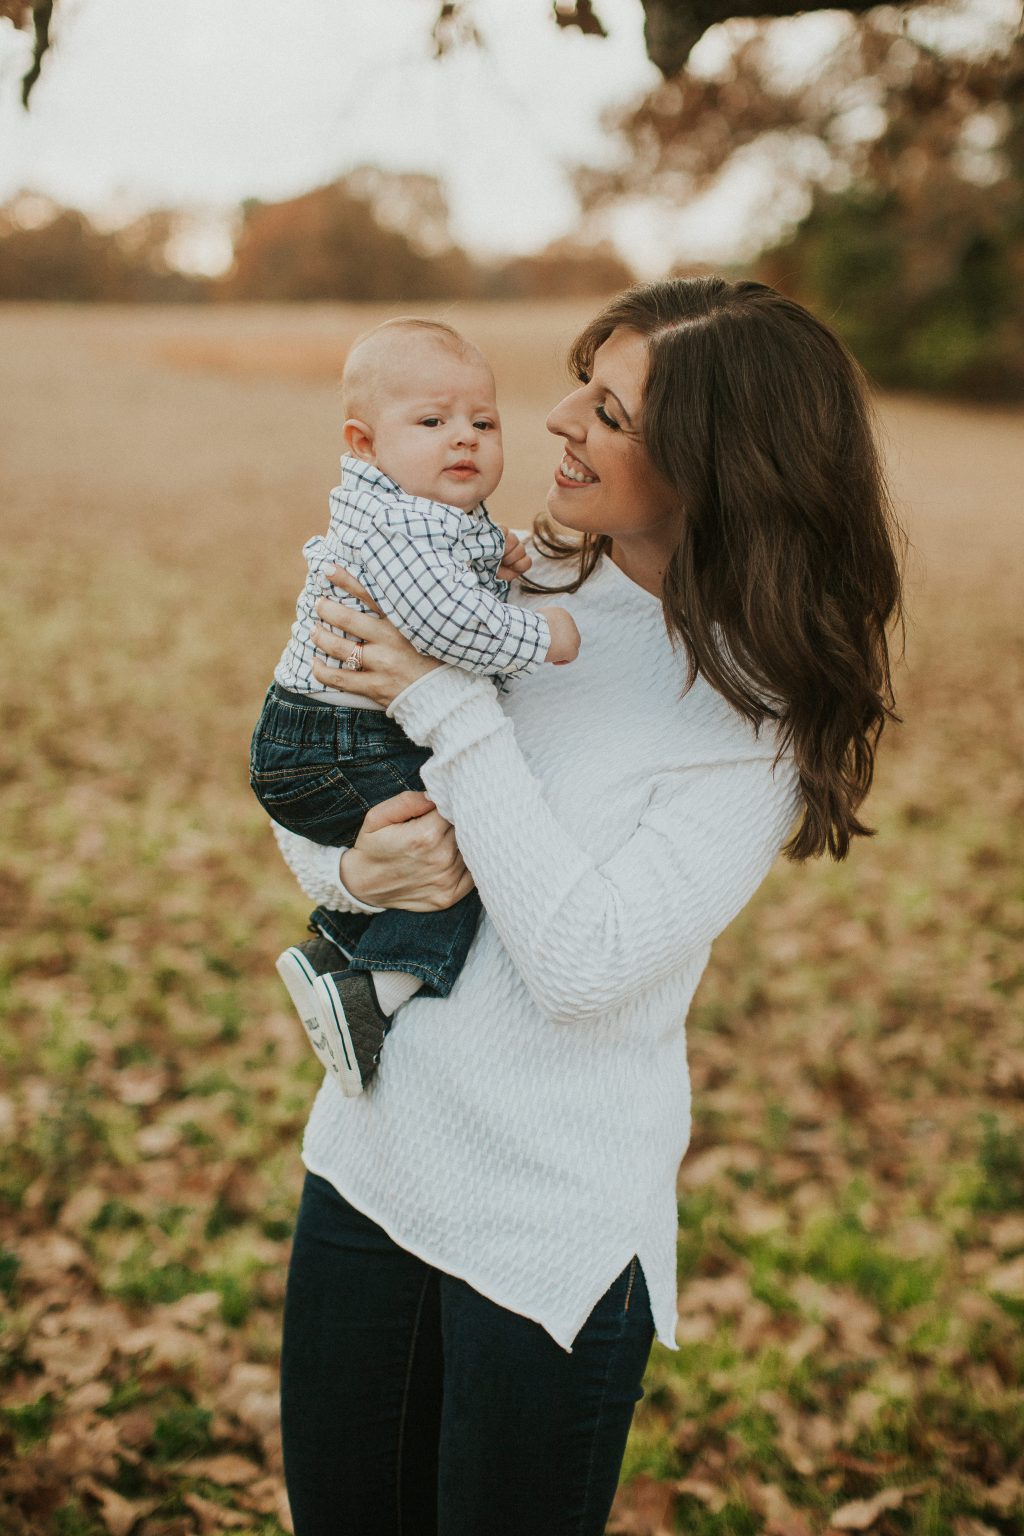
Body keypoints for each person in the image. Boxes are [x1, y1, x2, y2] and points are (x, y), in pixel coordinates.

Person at [271, 278, 904, 1536]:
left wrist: (444, 706)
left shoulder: (748, 718)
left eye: (607, 408)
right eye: (580, 379)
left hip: (545, 1238)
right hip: (370, 1166)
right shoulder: (503, 578)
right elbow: (317, 787)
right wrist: (350, 877)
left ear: (711, 466)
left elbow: (576, 962)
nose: (556, 417)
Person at [250, 317, 580, 1096]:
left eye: (483, 422)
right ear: (363, 444)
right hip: (334, 740)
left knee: (452, 832)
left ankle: (335, 951)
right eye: (433, 423)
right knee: (470, 838)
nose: (463, 439)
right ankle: (373, 993)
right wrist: (542, 636)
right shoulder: (402, 524)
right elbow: (447, 624)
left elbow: (446, 570)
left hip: (326, 734)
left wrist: (493, 551)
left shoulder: (422, 513)